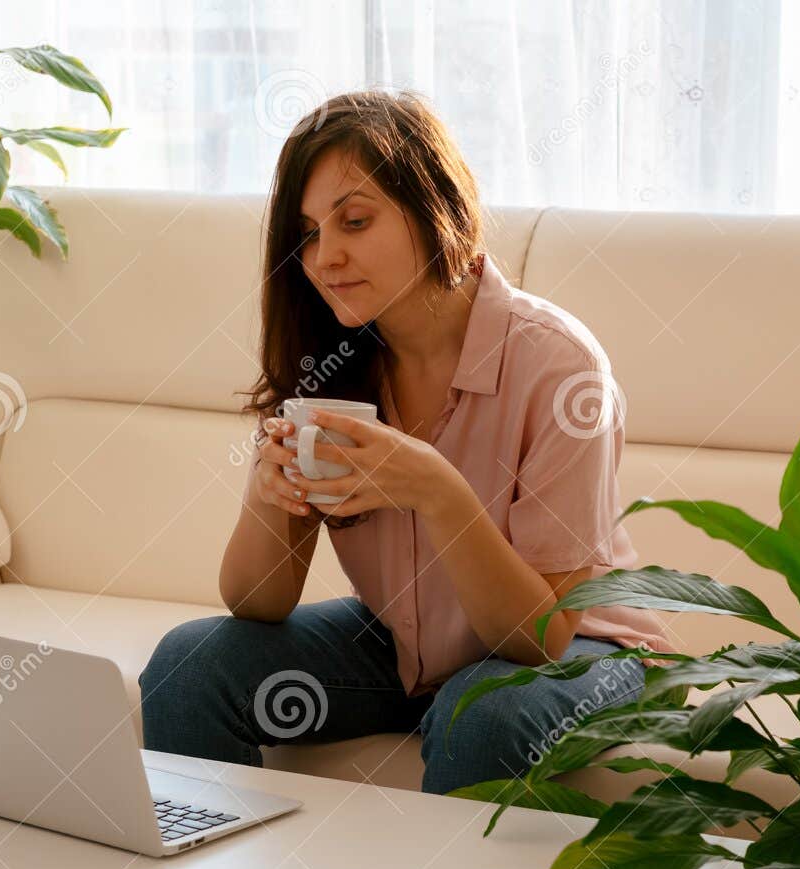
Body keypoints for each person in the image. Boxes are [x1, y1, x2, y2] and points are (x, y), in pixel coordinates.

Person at [139, 90, 669, 795]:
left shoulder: (560, 366)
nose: (326, 258)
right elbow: (255, 602)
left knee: (480, 715)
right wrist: (273, 498)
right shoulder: (333, 363)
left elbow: (540, 638)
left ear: (434, 209)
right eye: (306, 235)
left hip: (583, 647)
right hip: (411, 641)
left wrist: (438, 491)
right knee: (188, 666)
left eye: (354, 221)